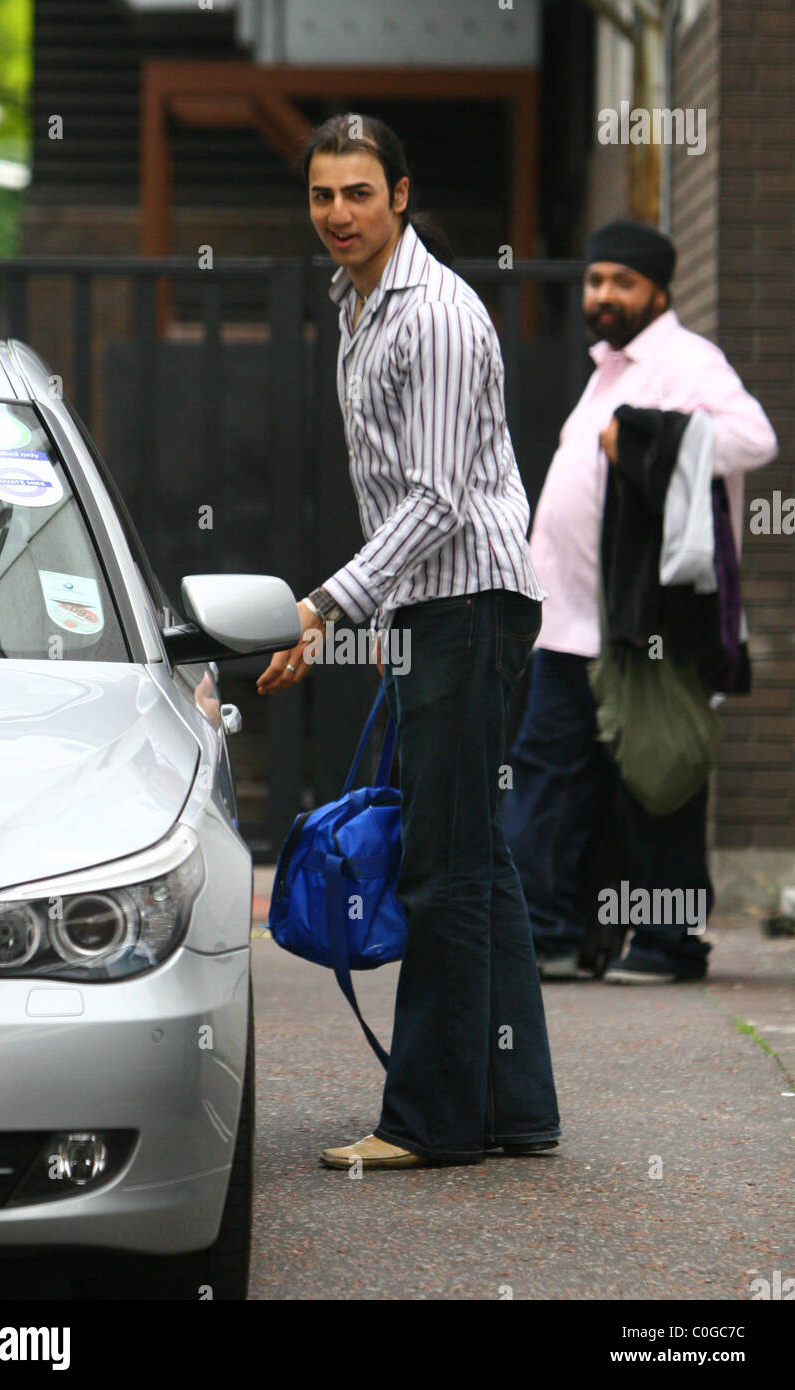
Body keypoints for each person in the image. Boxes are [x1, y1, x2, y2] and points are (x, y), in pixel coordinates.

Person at [256, 113, 560, 1170]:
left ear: (401, 195)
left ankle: (426, 1120)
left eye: (358, 193)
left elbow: (433, 500)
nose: (338, 213)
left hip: (465, 601)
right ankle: (517, 1107)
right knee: (476, 858)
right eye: (321, 194)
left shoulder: (430, 314)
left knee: (442, 869)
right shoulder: (359, 304)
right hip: (442, 605)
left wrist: (325, 605)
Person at [502, 219, 778, 984]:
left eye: (622, 282)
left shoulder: (688, 362)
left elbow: (755, 441)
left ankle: (666, 944)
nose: (604, 294)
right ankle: (550, 933)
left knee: (659, 780)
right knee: (550, 774)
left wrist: (653, 437)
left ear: (658, 289)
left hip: (644, 623)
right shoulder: (606, 370)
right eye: (595, 281)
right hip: (566, 620)